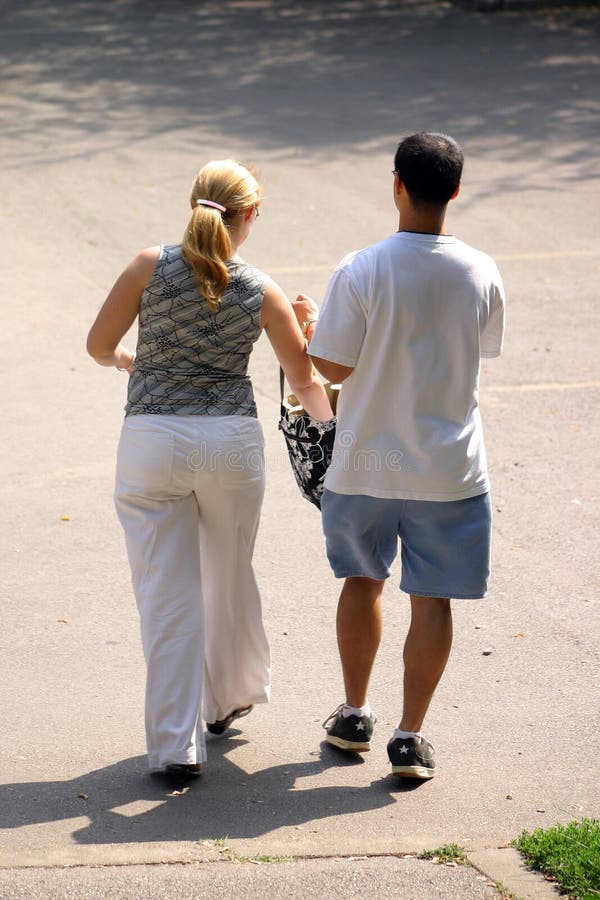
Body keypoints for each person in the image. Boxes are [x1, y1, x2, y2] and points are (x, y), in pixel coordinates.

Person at [87, 159, 333, 781]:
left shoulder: (149, 265)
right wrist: (336, 432)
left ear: (194, 204)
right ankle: (229, 695)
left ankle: (176, 747)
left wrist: (127, 359)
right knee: (229, 570)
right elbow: (305, 380)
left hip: (153, 439)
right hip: (230, 444)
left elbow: (98, 344)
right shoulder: (261, 288)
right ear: (250, 216)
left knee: (166, 595)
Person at [295, 132, 505, 779]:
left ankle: (355, 712)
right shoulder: (481, 270)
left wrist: (310, 331)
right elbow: (484, 351)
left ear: (396, 184)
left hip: (366, 464)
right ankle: (411, 736)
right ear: (456, 191)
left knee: (364, 581)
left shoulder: (362, 267)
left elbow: (330, 363)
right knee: (432, 597)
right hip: (449, 467)